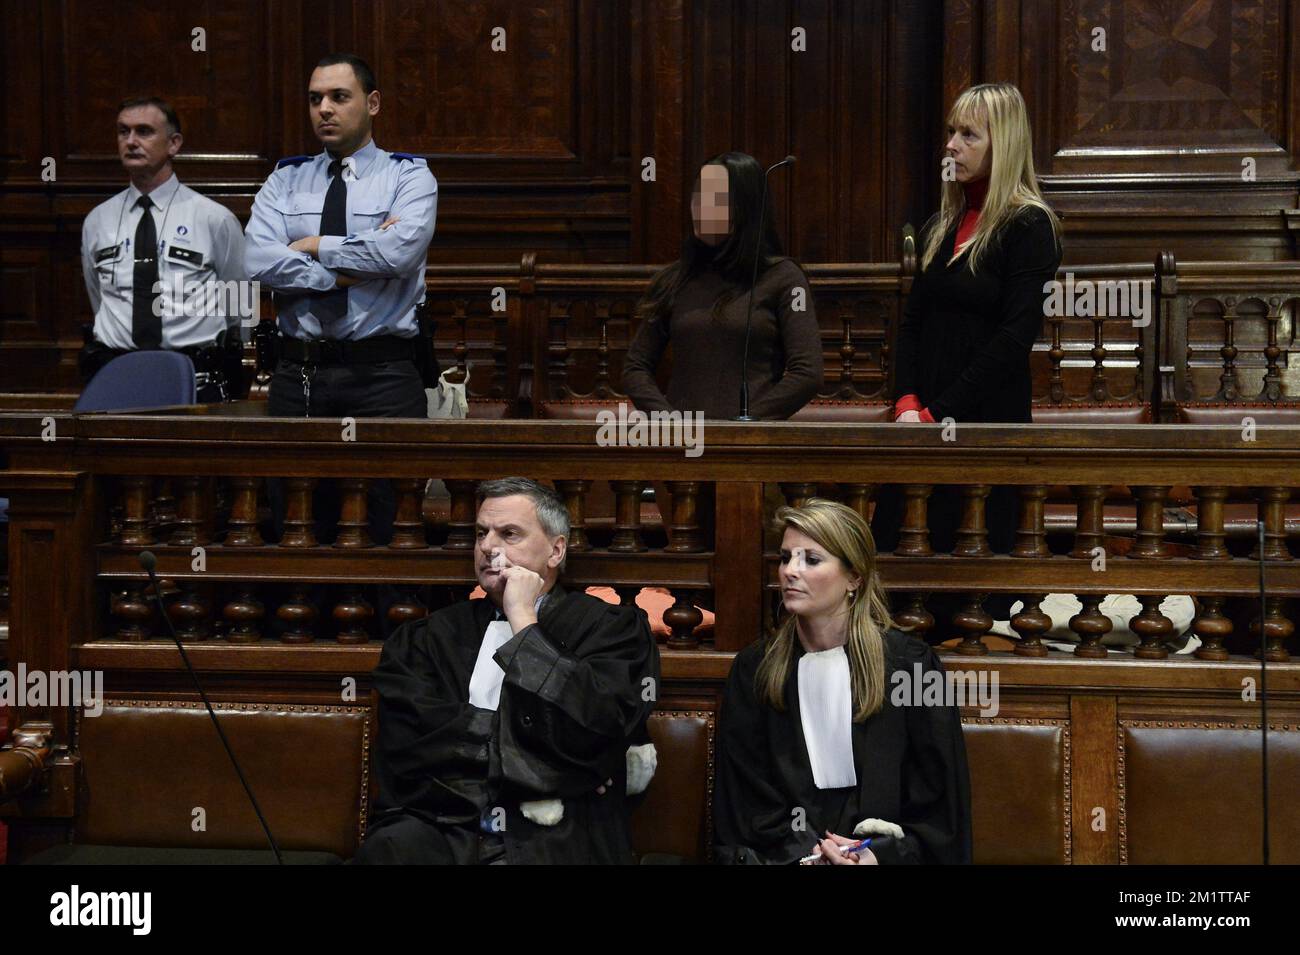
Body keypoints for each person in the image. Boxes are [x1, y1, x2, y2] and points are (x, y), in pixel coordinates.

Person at [354, 478, 661, 864]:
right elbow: (412, 750)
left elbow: (596, 734)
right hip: (443, 826)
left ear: (556, 550)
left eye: (509, 533)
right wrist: (545, 763)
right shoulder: (429, 638)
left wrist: (523, 621)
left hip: (557, 838)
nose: (487, 547)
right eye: (482, 533)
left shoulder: (612, 630)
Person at [871, 82, 1063, 623]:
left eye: (967, 134)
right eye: (951, 132)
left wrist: (938, 413)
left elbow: (1012, 339)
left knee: (971, 597)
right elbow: (911, 325)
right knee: (904, 581)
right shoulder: (941, 226)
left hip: (983, 421)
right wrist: (908, 402)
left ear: (1001, 144)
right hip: (921, 422)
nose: (950, 146)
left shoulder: (1030, 226)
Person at [245, 52, 437, 545]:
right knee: (298, 526)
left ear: (372, 103)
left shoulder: (408, 177)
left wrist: (312, 246)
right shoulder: (285, 179)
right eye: (315, 100)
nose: (324, 109)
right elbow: (257, 262)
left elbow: (400, 251)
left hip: (384, 378)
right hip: (298, 376)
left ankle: (391, 625)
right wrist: (344, 274)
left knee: (390, 527)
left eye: (338, 97)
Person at [714, 499, 971, 865]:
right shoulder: (755, 668)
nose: (790, 571)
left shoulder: (911, 667)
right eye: (786, 557)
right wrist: (812, 855)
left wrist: (876, 856)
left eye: (811, 560)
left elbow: (939, 805)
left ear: (855, 577)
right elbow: (745, 799)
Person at [621, 151, 823, 420]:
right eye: (698, 196)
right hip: (685, 444)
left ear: (746, 209)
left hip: (752, 443)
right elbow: (635, 367)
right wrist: (669, 421)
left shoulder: (784, 278)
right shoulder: (676, 279)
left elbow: (807, 373)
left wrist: (746, 423)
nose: (702, 207)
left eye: (717, 199)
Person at [80, 97, 247, 402]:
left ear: (173, 144)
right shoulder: (97, 221)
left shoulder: (213, 218)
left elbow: (239, 303)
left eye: (144, 132)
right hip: (116, 378)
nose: (131, 141)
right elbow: (99, 299)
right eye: (123, 131)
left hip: (195, 381)